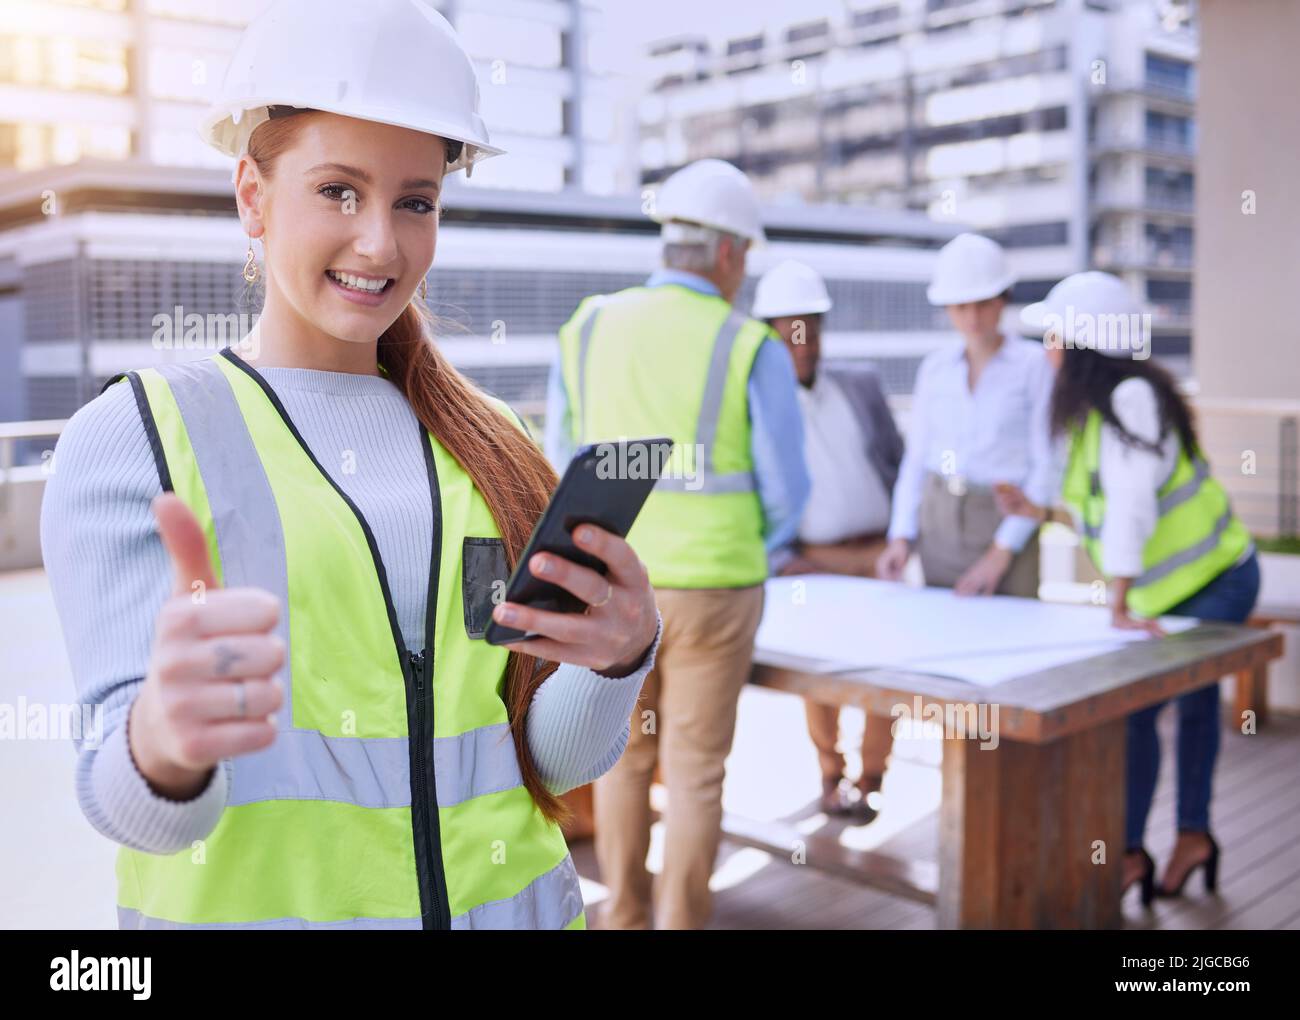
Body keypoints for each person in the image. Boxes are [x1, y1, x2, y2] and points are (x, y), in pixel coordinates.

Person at [38, 0, 662, 931]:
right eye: (338, 191)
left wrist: (619, 661)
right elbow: (138, 813)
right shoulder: (138, 437)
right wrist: (165, 740)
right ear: (251, 193)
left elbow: (543, 762)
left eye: (416, 201)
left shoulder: (483, 439)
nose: (381, 243)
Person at [545, 159, 810, 929]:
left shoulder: (589, 325)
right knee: (694, 772)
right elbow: (788, 487)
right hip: (718, 587)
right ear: (729, 252)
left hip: (611, 582)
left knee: (622, 760)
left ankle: (621, 918)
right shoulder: (748, 344)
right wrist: (763, 544)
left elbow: (564, 457)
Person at [1004, 271, 1258, 906]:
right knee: (1146, 713)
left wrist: (1115, 597)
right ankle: (1147, 847)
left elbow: (1134, 507)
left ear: (1086, 345)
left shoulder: (1132, 402)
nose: (1048, 350)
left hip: (1217, 582)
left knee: (1168, 708)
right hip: (1166, 594)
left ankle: (1153, 846)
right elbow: (1099, 506)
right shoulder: (1099, 413)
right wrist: (1040, 513)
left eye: (1056, 337)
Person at [755, 260, 904, 823]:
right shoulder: (762, 404)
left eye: (812, 328)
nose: (805, 343)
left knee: (886, 670)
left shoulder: (859, 385)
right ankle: (831, 773)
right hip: (812, 564)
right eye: (792, 330)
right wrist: (786, 560)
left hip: (877, 552)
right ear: (769, 334)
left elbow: (896, 460)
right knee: (823, 677)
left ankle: (874, 776)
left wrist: (903, 537)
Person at [876, 233, 1057, 598]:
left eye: (983, 303)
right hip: (939, 521)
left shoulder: (1034, 365)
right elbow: (916, 461)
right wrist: (901, 535)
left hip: (1005, 521)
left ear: (1002, 300)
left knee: (1011, 638)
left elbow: (1048, 465)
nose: (972, 317)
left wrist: (1001, 552)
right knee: (943, 634)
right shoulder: (935, 368)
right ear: (947, 308)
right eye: (960, 306)